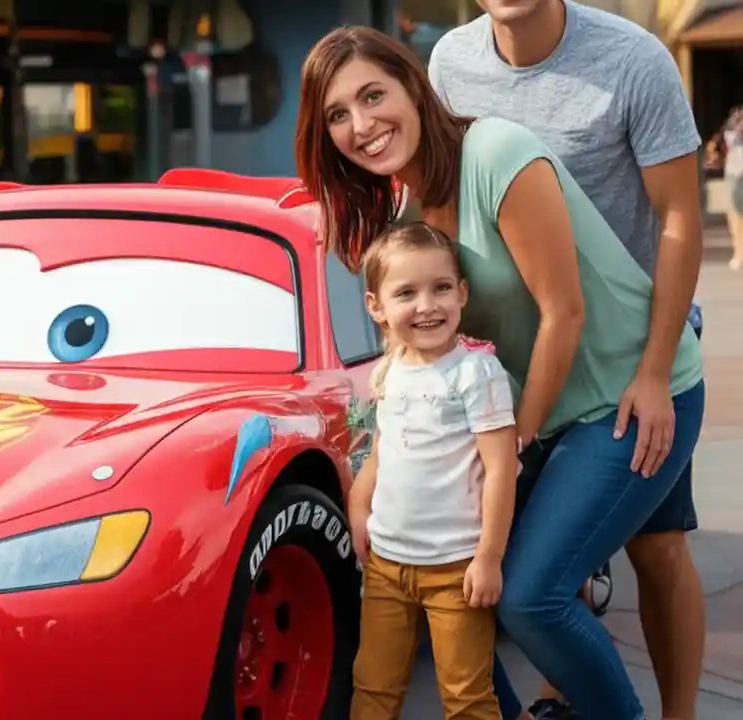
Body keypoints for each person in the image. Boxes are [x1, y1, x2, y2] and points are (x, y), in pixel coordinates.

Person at [295, 26, 705, 720]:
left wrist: (514, 446)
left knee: (529, 595)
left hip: (623, 395)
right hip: (533, 413)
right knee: (453, 577)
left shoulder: (498, 152)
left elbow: (564, 313)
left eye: (373, 95)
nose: (362, 125)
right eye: (338, 114)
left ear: (413, 88)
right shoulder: (409, 206)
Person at [428, 3, 708, 717]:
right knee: (549, 556)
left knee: (655, 545)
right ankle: (560, 699)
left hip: (630, 348)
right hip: (528, 357)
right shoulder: (449, 65)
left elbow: (679, 216)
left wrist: (651, 372)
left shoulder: (633, 59)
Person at [348, 221, 518, 720]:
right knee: (374, 685)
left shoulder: (476, 373)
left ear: (462, 293)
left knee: (466, 696)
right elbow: (383, 452)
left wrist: (489, 558)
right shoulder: (391, 368)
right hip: (386, 568)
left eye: (441, 288)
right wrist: (359, 507)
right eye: (407, 293)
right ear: (376, 307)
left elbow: (501, 468)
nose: (427, 306)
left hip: (455, 570)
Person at [720, 107, 743, 271]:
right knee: (734, 217)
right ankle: (739, 252)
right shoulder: (731, 134)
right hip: (734, 175)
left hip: (736, 175)